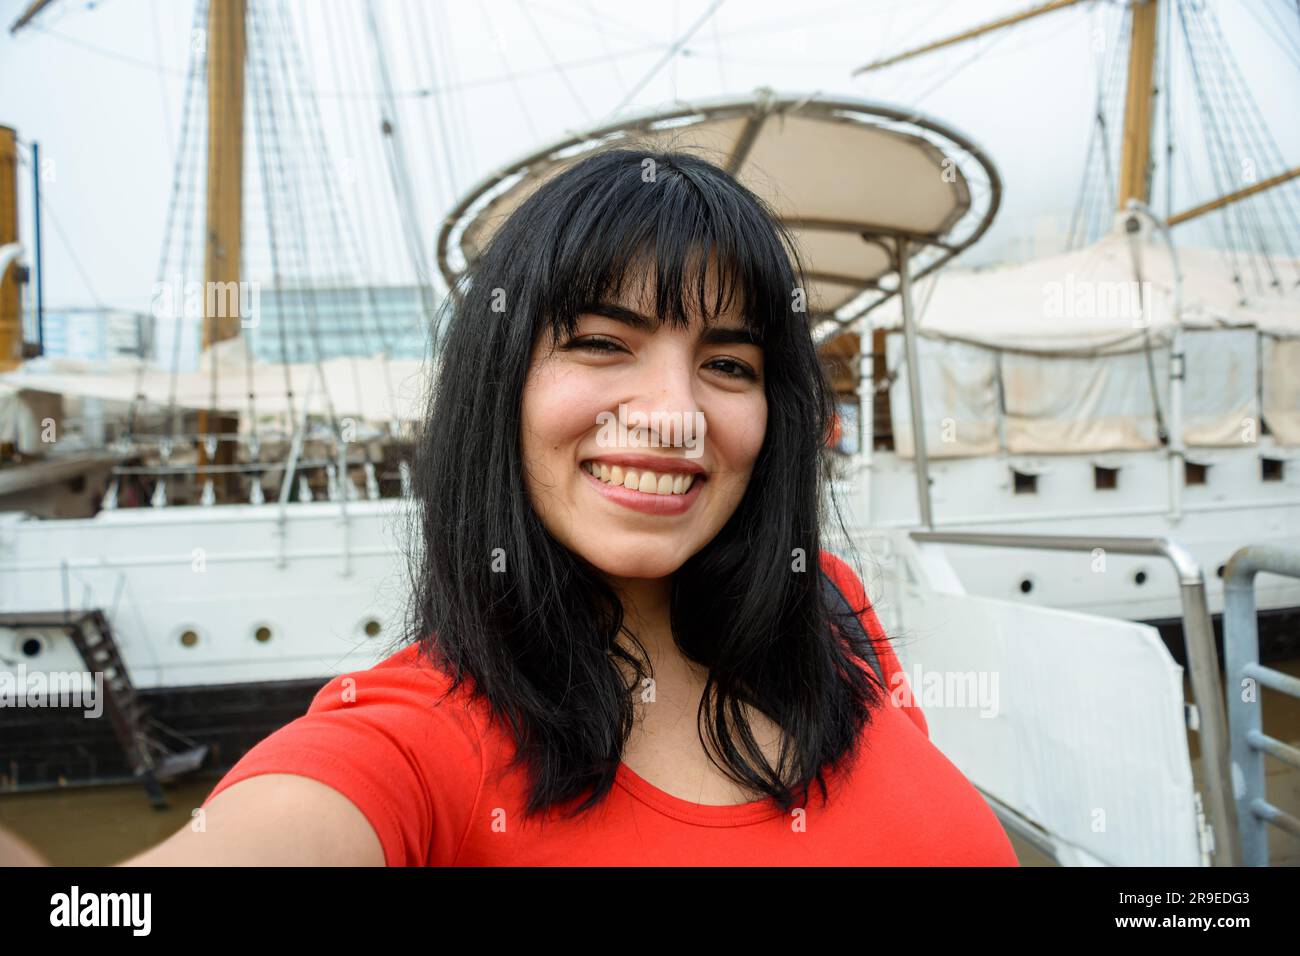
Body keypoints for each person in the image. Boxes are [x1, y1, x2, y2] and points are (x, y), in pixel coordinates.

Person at [110, 147, 1017, 866]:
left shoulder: (826, 603)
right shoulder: (417, 745)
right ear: (496, 386)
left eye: (729, 364)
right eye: (598, 342)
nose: (672, 417)